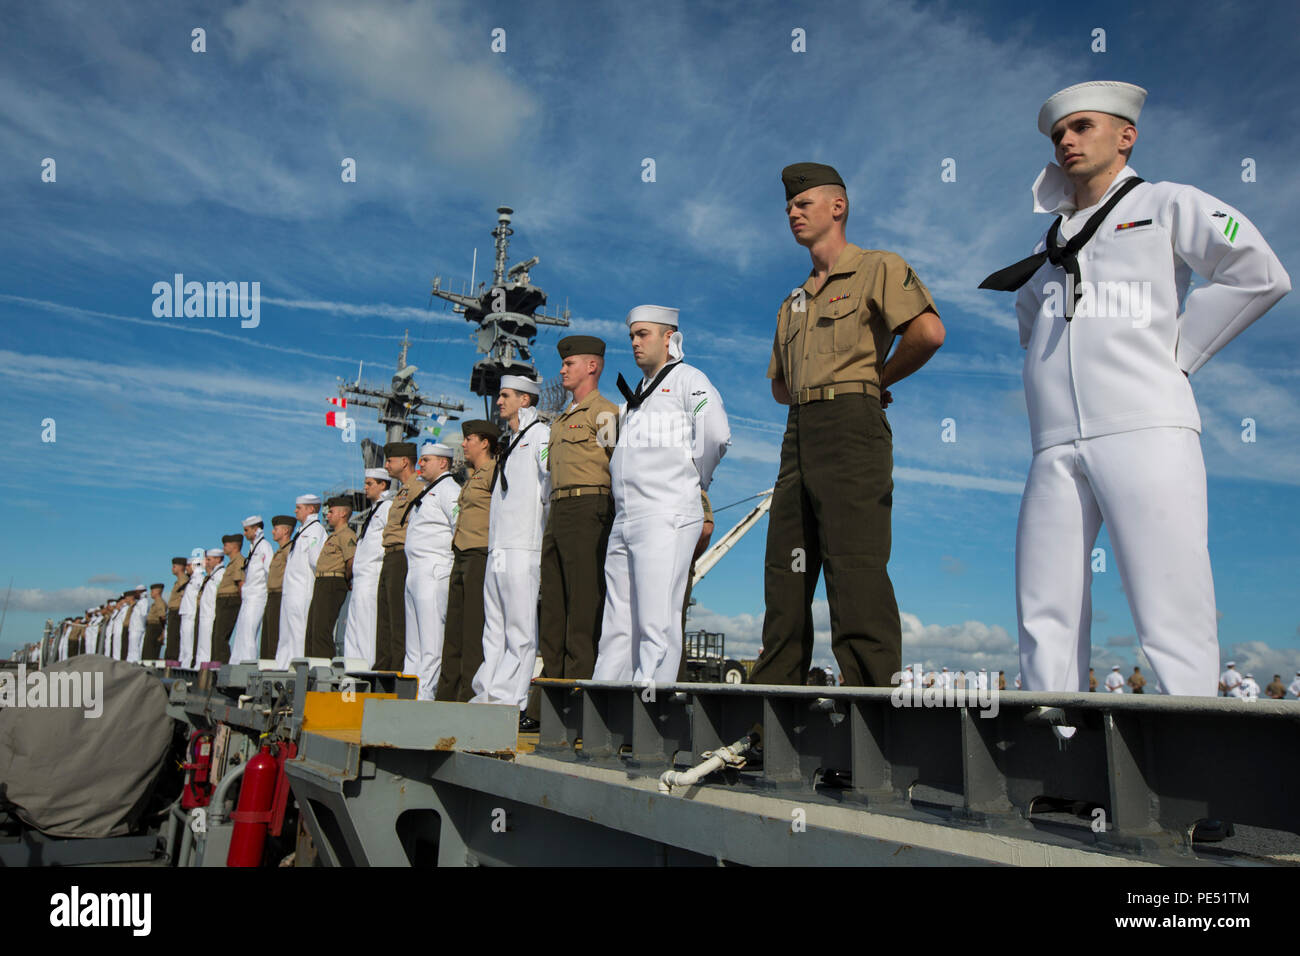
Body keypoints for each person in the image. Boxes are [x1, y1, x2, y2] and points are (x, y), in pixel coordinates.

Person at [980, 82, 1290, 697]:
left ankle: (1192, 768)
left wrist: (1176, 356)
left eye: (1083, 127)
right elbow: (1028, 321)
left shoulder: (1168, 203)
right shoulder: (1049, 244)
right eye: (1057, 134)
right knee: (1046, 612)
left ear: (1127, 136)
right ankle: (1059, 754)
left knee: (1169, 600)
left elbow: (1259, 273)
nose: (1066, 140)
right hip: (1052, 443)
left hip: (1146, 425)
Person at [750, 162, 945, 689]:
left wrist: (874, 381)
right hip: (798, 430)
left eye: (803, 202)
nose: (792, 211)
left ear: (838, 207)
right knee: (784, 574)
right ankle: (770, 717)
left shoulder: (877, 267)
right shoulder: (790, 302)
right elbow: (778, 384)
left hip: (852, 422)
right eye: (788, 206)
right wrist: (813, 394)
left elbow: (927, 332)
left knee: (854, 568)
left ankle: (874, 723)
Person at [593, 304, 731, 684]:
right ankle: (607, 705)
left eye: (644, 334)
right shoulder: (636, 395)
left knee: (656, 620)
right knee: (618, 622)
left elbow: (716, 434)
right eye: (632, 336)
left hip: (665, 512)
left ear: (669, 337)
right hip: (626, 517)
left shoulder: (688, 379)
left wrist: (693, 480)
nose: (635, 343)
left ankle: (648, 713)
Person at [530, 335, 619, 721]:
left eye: (570, 363)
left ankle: (579, 704)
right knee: (552, 607)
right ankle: (552, 700)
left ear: (592, 367)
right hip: (559, 510)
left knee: (584, 608)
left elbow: (620, 467)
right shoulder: (560, 420)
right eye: (563, 363)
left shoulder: (606, 414)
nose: (562, 369)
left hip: (591, 508)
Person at [473, 376, 551, 717]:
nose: (499, 401)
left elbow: (549, 482)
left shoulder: (540, 436)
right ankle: (487, 693)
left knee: (519, 628)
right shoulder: (512, 440)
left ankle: (511, 701)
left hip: (523, 545)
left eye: (505, 396)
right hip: (499, 547)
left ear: (524, 399)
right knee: (494, 626)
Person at [437, 420, 498, 702]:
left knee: (473, 630)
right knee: (454, 630)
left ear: (484, 443)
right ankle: (446, 694)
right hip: (461, 554)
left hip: (479, 554)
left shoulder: (495, 472)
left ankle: (466, 696)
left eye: (469, 438)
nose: (463, 444)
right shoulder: (473, 476)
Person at [404, 442, 460, 699]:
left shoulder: (449, 490)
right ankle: (411, 689)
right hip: (414, 570)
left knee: (431, 639)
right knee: (413, 643)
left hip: (434, 569)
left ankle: (426, 693)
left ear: (443, 463)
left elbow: (459, 526)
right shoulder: (428, 491)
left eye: (427, 460)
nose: (421, 464)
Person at [376, 442, 422, 672]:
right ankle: (384, 664)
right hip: (389, 554)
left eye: (390, 460)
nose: (386, 465)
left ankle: (397, 666)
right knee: (384, 615)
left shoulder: (418, 487)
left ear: (404, 461)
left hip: (402, 555)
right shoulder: (402, 490)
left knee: (397, 615)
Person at [343, 468, 394, 667]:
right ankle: (351, 667)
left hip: (373, 575)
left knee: (367, 626)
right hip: (360, 578)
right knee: (353, 626)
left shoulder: (388, 507)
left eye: (369, 483)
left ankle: (366, 668)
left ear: (383, 485)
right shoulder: (375, 509)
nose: (365, 487)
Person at [275, 494, 328, 668]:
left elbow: (315, 559)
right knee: (286, 632)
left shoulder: (315, 530)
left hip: (302, 590)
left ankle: (297, 669)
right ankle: (283, 666)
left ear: (311, 509)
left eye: (299, 508)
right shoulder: (303, 530)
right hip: (290, 590)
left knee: (298, 633)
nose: (295, 511)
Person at [305, 496, 357, 659]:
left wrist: (345, 580)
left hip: (333, 582)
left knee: (322, 630)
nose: (327, 515)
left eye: (331, 512)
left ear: (342, 514)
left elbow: (351, 561)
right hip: (322, 582)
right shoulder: (333, 536)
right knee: (313, 630)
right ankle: (311, 666)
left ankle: (322, 668)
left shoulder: (346, 534)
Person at [231, 516, 273, 664]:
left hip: (257, 596)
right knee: (241, 633)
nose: (244, 533)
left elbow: (269, 571)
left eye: (246, 530)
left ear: (256, 529)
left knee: (249, 633)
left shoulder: (264, 547)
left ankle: (248, 664)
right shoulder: (253, 548)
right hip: (248, 597)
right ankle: (237, 663)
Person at [261, 515, 297, 661]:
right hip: (272, 595)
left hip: (280, 595)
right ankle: (267, 663)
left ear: (286, 531)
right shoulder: (279, 551)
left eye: (276, 529)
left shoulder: (290, 550)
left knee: (275, 633)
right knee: (268, 635)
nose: (272, 532)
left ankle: (274, 665)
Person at [212, 534, 244, 663]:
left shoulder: (238, 561)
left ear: (234, 546)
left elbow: (240, 583)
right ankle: (216, 664)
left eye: (226, 545)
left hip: (230, 600)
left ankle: (221, 666)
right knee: (217, 636)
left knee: (221, 636)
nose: (223, 547)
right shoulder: (232, 563)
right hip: (224, 601)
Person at [195, 548, 225, 666]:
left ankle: (206, 668)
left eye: (209, 559)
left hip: (211, 614)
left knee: (207, 644)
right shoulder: (212, 575)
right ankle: (200, 666)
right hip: (205, 614)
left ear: (218, 559)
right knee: (202, 643)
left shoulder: (220, 574)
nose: (206, 562)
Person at [179, 548, 206, 668]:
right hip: (186, 614)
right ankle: (183, 663)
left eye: (189, 565)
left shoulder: (199, 578)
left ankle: (187, 664)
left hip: (191, 614)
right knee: (184, 642)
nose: (187, 568)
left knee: (189, 643)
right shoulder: (191, 580)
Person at [164, 557, 188, 661]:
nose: (172, 568)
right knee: (171, 637)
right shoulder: (177, 582)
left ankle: (172, 660)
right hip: (173, 611)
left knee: (174, 637)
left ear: (181, 567)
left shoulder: (184, 580)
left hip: (177, 611)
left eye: (175, 566)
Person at [143, 582, 167, 660]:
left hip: (155, 627)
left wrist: (162, 631)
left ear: (157, 591)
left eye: (152, 591)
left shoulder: (159, 602)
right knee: (147, 650)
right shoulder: (156, 602)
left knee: (150, 651)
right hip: (152, 627)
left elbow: (162, 616)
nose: (151, 593)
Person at [125, 584, 148, 662]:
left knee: (135, 649)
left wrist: (141, 625)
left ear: (140, 592)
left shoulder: (144, 601)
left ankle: (134, 663)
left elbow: (144, 615)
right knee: (132, 648)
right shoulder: (140, 602)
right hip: (134, 628)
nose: (135, 595)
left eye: (136, 592)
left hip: (138, 628)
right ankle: (130, 662)